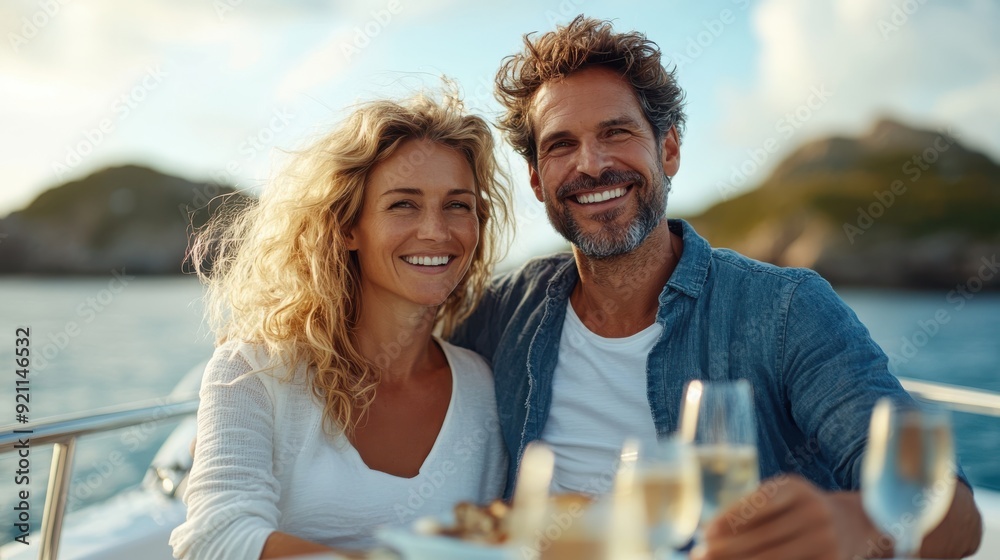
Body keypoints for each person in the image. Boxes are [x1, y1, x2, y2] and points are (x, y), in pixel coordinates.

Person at [449, 16, 982, 559]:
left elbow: (955, 519)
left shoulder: (786, 311)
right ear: (538, 180)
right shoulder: (501, 310)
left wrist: (851, 522)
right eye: (561, 145)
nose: (592, 164)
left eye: (617, 132)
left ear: (670, 151)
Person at [169, 90, 513, 559]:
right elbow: (215, 539)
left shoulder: (481, 384)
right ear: (348, 227)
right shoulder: (255, 370)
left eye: (458, 205)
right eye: (403, 205)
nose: (436, 230)